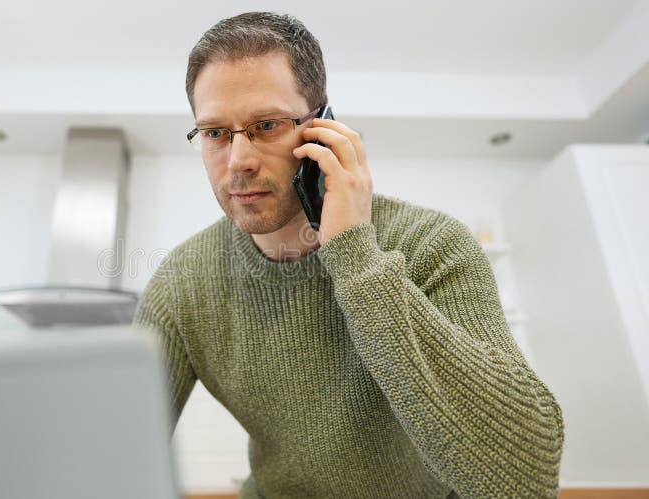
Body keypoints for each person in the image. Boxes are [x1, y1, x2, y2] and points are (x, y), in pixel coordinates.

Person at [135, 11, 564, 499]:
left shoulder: (434, 244)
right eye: (214, 133)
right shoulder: (181, 282)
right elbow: (115, 451)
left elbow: (525, 482)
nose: (238, 161)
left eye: (267, 125)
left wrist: (354, 256)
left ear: (323, 127)